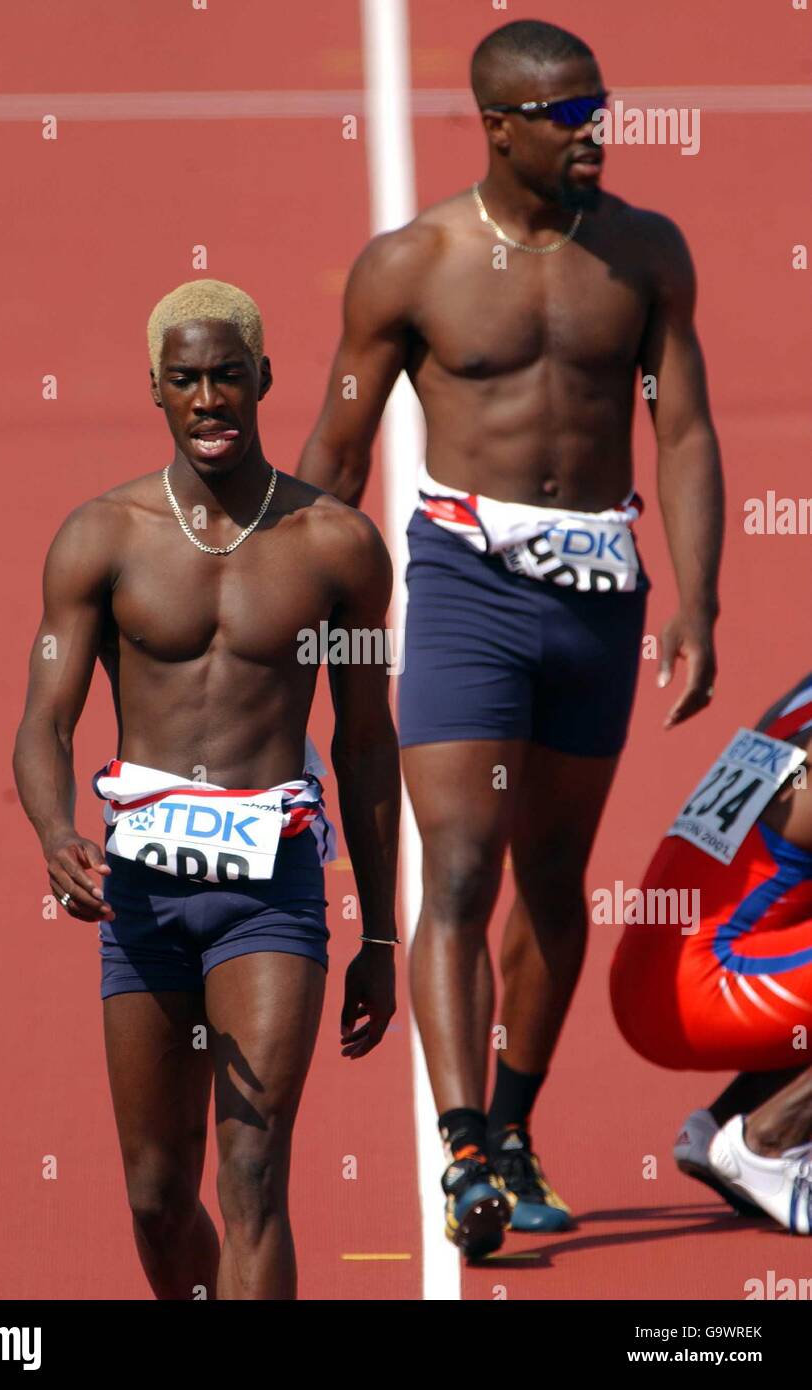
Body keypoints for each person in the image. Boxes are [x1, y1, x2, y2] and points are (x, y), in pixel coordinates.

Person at [298, 18, 723, 1255]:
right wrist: (284, 610)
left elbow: (682, 431)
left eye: (602, 108)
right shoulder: (411, 264)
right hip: (466, 584)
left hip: (599, 590)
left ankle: (521, 1123)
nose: (598, 132)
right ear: (498, 124)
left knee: (550, 875)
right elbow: (334, 445)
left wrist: (697, 601)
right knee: (462, 866)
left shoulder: (643, 252)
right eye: (570, 114)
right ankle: (465, 1145)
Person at [13, 278, 400, 1299]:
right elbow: (43, 723)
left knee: (253, 1170)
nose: (209, 398)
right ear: (157, 390)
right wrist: (56, 829)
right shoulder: (99, 538)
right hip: (140, 897)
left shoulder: (340, 548)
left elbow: (364, 742)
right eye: (185, 380)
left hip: (270, 896)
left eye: (228, 375)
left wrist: (381, 935)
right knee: (154, 1191)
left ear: (264, 378)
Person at [611, 672, 812, 1234]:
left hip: (653, 976)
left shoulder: (800, 697)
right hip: (706, 986)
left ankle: (724, 1126)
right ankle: (767, 1142)